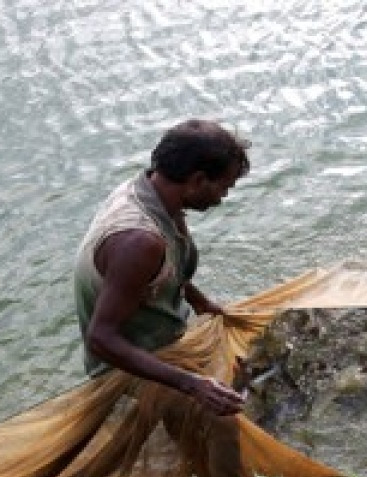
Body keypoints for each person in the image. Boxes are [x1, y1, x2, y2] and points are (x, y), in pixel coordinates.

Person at [74, 119, 250, 417]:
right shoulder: (139, 242)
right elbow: (100, 339)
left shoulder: (154, 190)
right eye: (224, 187)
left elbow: (163, 270)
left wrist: (201, 302)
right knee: (227, 421)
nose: (224, 197)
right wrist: (192, 385)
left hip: (161, 337)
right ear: (197, 181)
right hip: (127, 365)